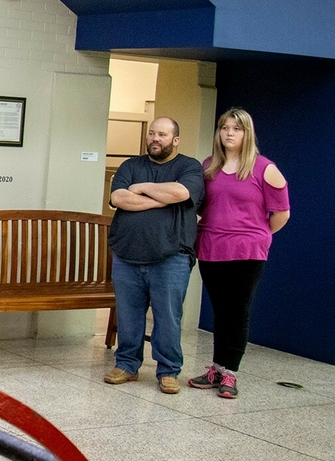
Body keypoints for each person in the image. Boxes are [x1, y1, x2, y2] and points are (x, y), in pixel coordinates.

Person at [188, 108, 289, 399]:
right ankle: (216, 369)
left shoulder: (264, 168)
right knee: (220, 311)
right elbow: (203, 206)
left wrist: (258, 235)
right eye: (224, 127)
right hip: (211, 247)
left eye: (237, 128)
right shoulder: (209, 167)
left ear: (248, 134)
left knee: (238, 311)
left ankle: (230, 374)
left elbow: (282, 213)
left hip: (247, 251)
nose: (229, 133)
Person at [104, 116, 204, 395]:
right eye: (151, 133)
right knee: (128, 314)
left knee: (168, 316)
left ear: (175, 140)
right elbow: (118, 198)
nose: (155, 139)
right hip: (127, 254)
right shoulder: (130, 165)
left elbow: (182, 192)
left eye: (162, 134)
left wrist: (141, 188)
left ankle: (169, 370)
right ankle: (126, 365)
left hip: (171, 256)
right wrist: (162, 199)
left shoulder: (189, 166)